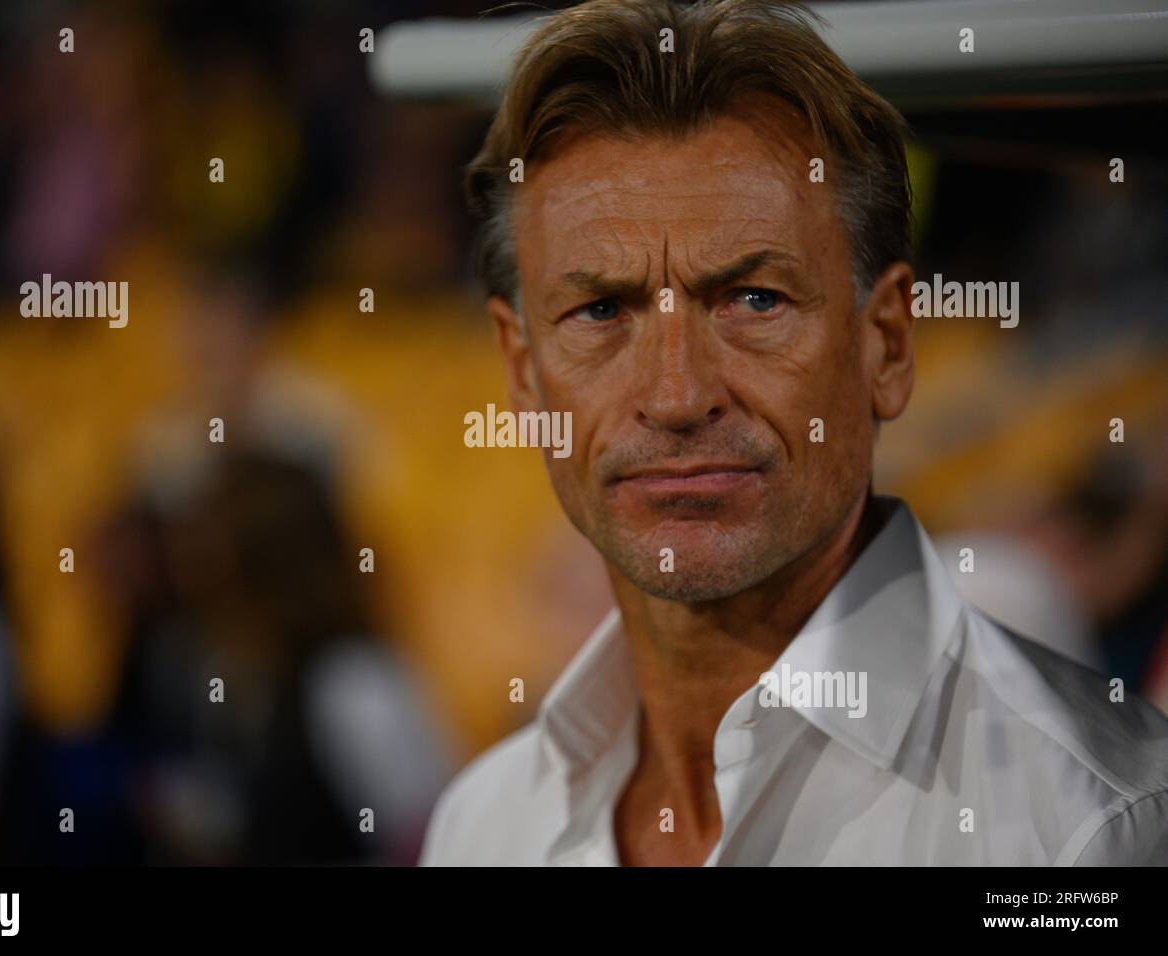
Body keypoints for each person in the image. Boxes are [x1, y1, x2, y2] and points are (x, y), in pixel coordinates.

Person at [419, 0, 1168, 865]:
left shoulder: (1089, 829)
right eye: (599, 310)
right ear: (521, 372)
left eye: (754, 300)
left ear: (885, 344)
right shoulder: (482, 826)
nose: (675, 394)